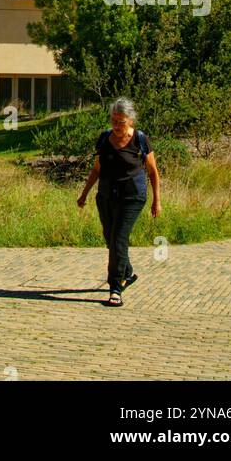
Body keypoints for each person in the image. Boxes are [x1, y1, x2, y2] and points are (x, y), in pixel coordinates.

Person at [77, 96, 161, 307]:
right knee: (110, 238)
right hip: (106, 195)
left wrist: (156, 201)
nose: (116, 125)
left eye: (121, 121)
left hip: (132, 196)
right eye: (114, 120)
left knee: (118, 239)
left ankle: (115, 287)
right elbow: (97, 168)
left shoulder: (140, 139)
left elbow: (153, 172)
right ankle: (128, 272)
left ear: (130, 121)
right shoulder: (105, 138)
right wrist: (85, 193)